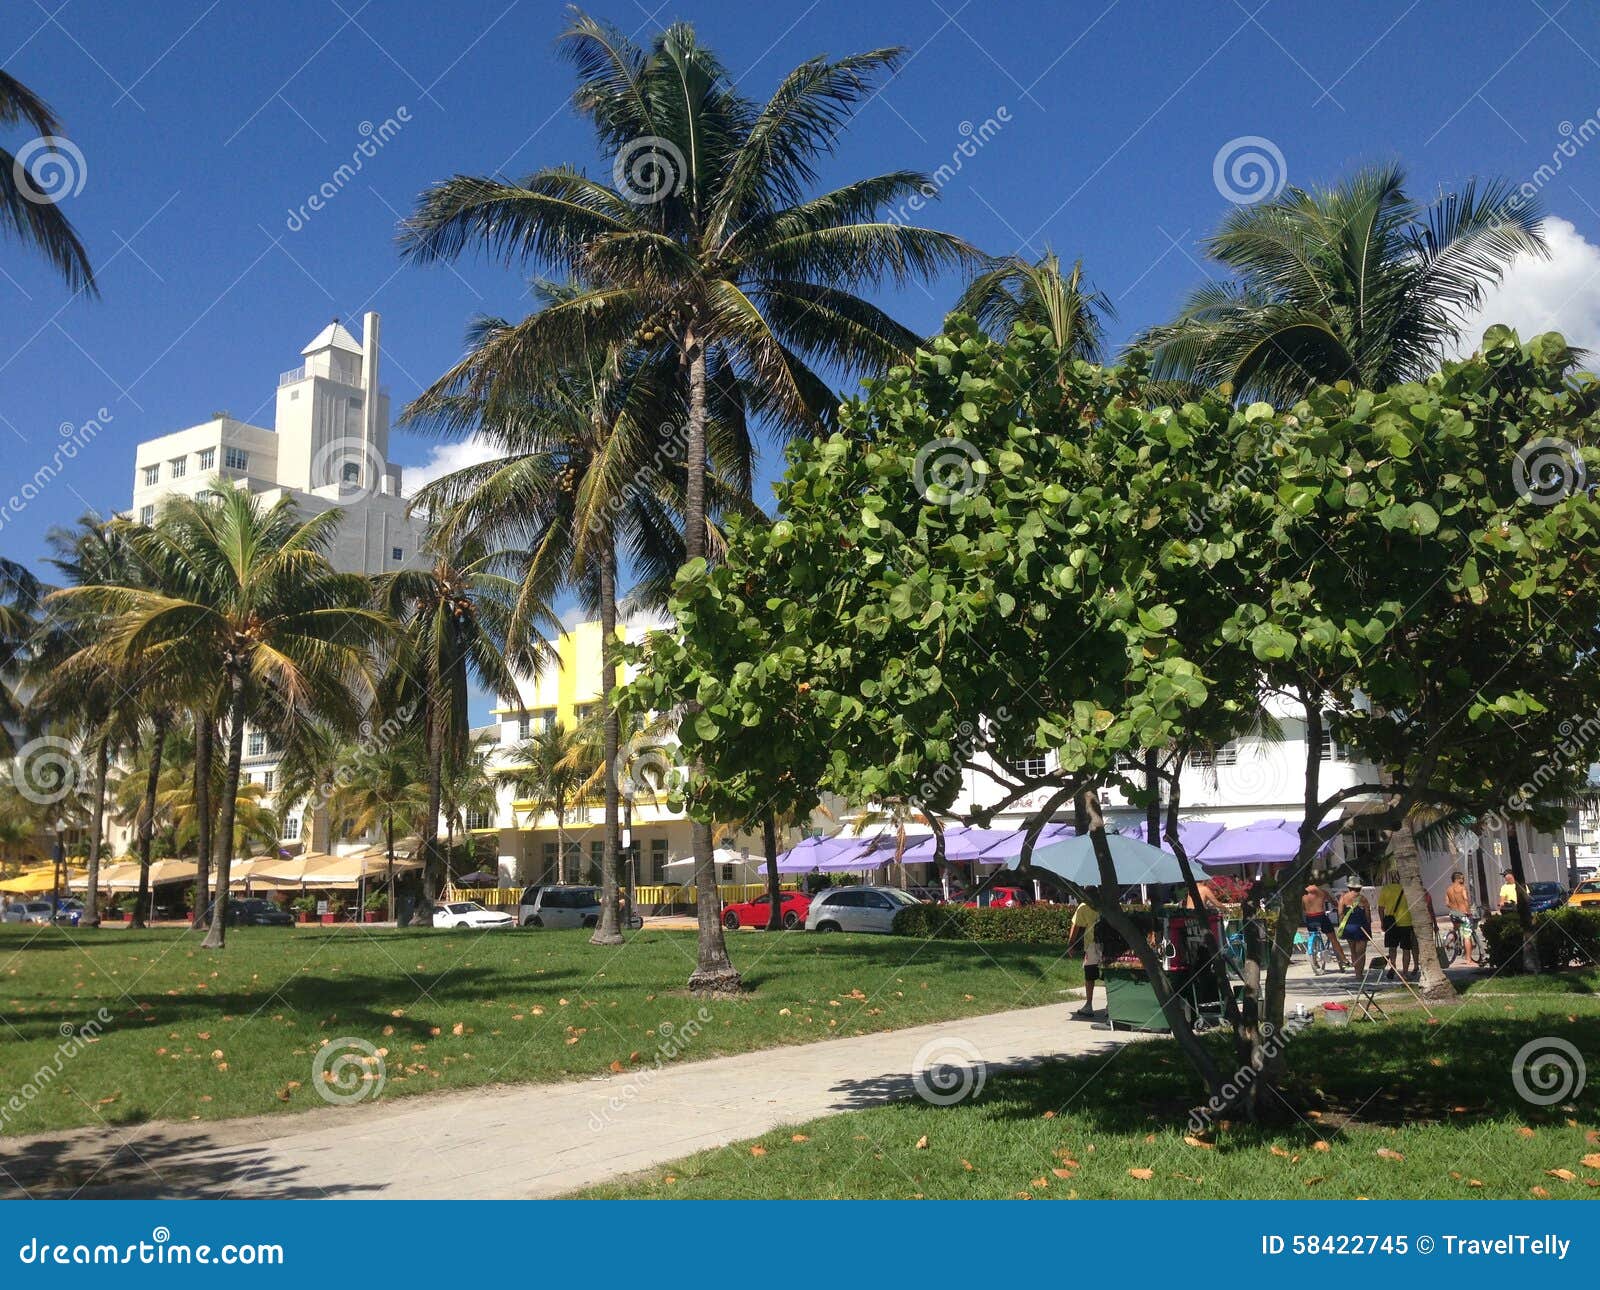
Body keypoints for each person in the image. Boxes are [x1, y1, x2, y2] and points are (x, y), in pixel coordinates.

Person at [1067, 891, 1102, 1019]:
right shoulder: (1107, 904)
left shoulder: (1083, 906)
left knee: (1089, 975)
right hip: (1108, 944)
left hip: (1092, 945)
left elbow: (1075, 925)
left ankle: (1088, 1005)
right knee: (1107, 974)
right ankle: (1110, 1006)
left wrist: (1071, 944)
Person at [1375, 875, 1416, 979]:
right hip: (1406, 922)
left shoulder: (1386, 889)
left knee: (1392, 948)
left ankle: (1393, 967)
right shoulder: (1408, 889)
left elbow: (1380, 908)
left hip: (1390, 922)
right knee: (1406, 949)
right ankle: (1405, 973)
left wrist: (1382, 921)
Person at [1301, 881, 1348, 969]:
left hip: (1310, 918)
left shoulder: (1303, 893)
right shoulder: (1321, 891)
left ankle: (1314, 961)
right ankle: (1344, 959)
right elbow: (1334, 903)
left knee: (1313, 934)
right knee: (1333, 939)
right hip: (1321, 917)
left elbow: (1303, 908)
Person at [1336, 884, 1372, 974]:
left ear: (1349, 887)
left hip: (1349, 926)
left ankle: (1357, 972)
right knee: (1361, 952)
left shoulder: (1343, 898)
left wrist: (1341, 925)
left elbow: (1340, 913)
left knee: (1353, 951)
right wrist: (1368, 923)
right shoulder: (1363, 898)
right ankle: (1360, 973)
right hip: (1361, 926)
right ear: (1359, 888)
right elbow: (1367, 914)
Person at [1445, 870, 1477, 965]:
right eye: (1462, 878)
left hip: (1453, 913)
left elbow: (1447, 903)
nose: (1463, 880)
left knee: (1456, 927)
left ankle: (1450, 940)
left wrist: (1454, 908)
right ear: (1457, 879)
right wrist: (1468, 911)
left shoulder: (1448, 889)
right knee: (1467, 936)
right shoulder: (1462, 888)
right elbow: (1466, 900)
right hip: (1463, 914)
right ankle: (1468, 959)